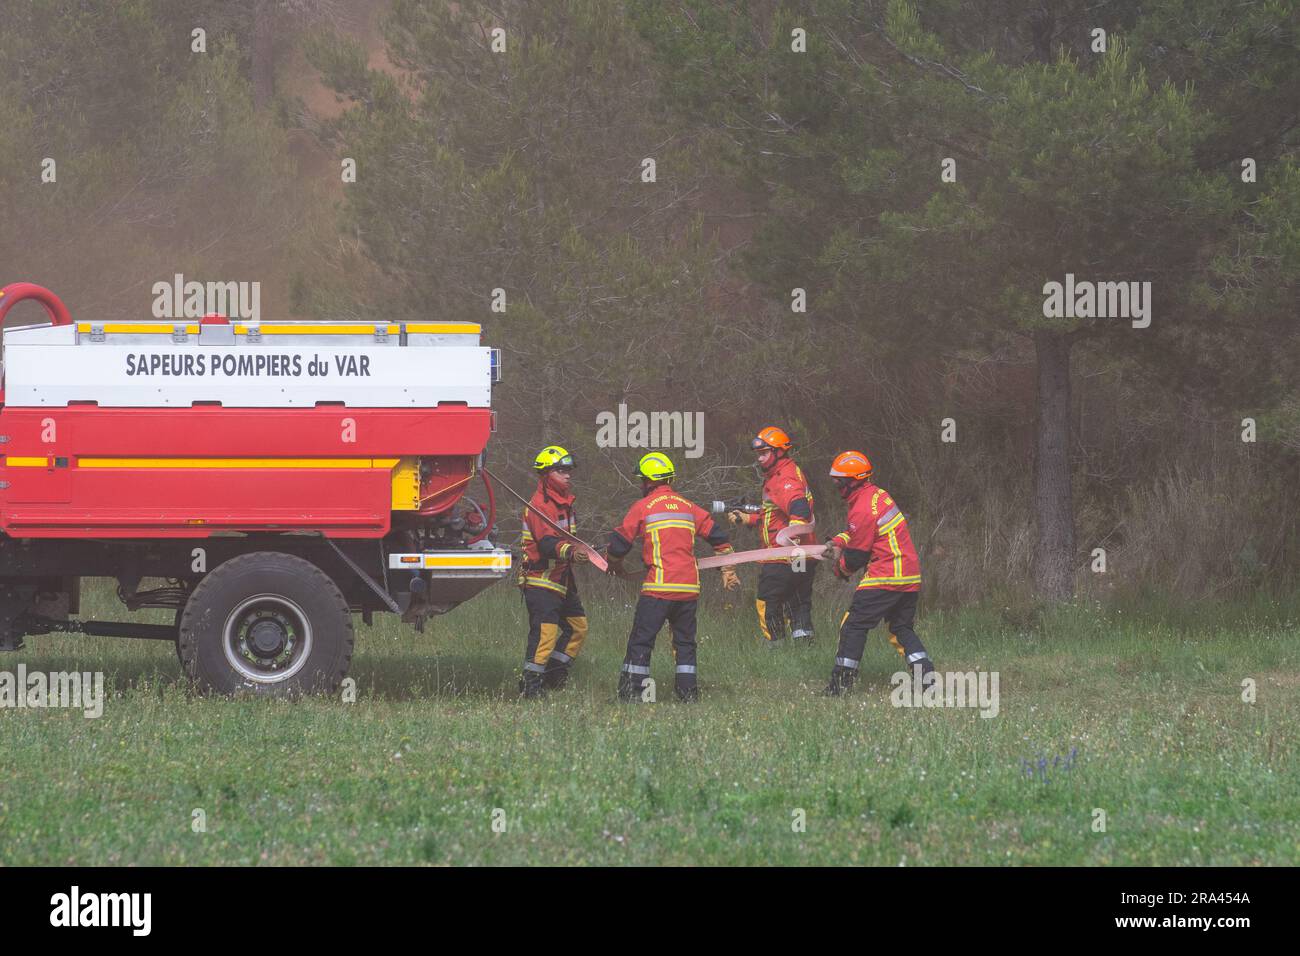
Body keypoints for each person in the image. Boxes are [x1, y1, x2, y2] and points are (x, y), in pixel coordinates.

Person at [606, 452, 740, 701]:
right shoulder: (689, 507)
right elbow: (719, 536)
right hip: (688, 590)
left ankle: (635, 694)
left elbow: (618, 545)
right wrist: (728, 568)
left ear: (647, 482)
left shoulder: (643, 507)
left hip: (658, 589)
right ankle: (688, 695)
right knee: (685, 644)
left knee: (642, 641)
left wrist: (614, 564)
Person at [820, 450, 935, 696]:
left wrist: (840, 569)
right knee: (901, 628)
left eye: (839, 481)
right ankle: (926, 677)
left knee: (853, 626)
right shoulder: (877, 495)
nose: (836, 485)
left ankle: (840, 686)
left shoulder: (861, 508)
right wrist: (838, 542)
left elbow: (857, 556)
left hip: (886, 575)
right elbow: (862, 533)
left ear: (852, 481)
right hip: (909, 576)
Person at [728, 426, 817, 644]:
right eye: (758, 453)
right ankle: (804, 648)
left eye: (764, 453)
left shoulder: (783, 478)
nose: (759, 458)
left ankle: (776, 649)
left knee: (768, 601)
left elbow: (799, 509)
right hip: (802, 555)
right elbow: (775, 515)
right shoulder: (784, 474)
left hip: (782, 556)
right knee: (798, 603)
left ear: (779, 451)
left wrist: (790, 543)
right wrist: (748, 519)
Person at [518, 445, 589, 698]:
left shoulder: (565, 503)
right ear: (546, 474)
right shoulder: (539, 505)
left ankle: (554, 673)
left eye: (569, 470)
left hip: (562, 581)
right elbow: (548, 544)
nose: (568, 475)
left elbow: (567, 539)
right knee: (545, 634)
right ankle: (531, 686)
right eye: (561, 470)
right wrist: (572, 552)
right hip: (541, 581)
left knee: (578, 627)